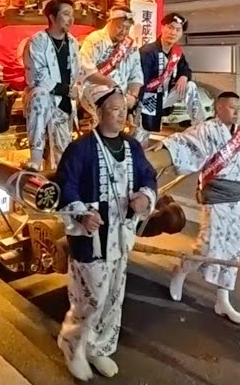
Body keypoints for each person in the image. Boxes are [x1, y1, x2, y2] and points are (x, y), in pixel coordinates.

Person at [53, 85, 157, 381]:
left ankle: (99, 347)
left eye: (124, 109)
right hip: (92, 239)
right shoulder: (80, 148)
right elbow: (66, 186)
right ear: (98, 112)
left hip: (121, 236)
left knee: (114, 296)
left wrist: (145, 197)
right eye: (114, 109)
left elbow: (147, 175)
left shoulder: (132, 147)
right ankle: (72, 344)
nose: (121, 114)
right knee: (91, 298)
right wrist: (82, 215)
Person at [160, 91, 240, 324]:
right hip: (216, 194)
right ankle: (182, 270)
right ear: (219, 108)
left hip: (236, 196)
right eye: (231, 107)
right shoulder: (207, 130)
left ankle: (223, 299)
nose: (236, 111)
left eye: (238, 107)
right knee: (208, 246)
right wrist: (166, 151)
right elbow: (186, 143)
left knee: (232, 247)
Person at [23, 0, 84, 171]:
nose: (70, 19)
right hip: (43, 97)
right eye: (66, 14)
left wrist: (76, 90)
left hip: (64, 100)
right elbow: (37, 73)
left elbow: (77, 72)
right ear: (51, 17)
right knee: (40, 95)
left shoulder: (72, 42)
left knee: (64, 157)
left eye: (72, 15)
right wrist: (66, 90)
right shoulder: (38, 41)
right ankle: (35, 158)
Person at [136, 13, 204, 145]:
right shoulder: (147, 51)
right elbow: (140, 81)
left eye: (178, 30)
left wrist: (184, 76)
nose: (173, 32)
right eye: (170, 27)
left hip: (166, 96)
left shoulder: (177, 52)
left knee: (190, 86)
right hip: (147, 97)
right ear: (162, 27)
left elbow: (185, 68)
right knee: (142, 133)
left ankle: (200, 126)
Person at [77, 7, 143, 125]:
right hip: (94, 89)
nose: (123, 31)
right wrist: (112, 85)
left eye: (127, 28)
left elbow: (136, 73)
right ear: (110, 22)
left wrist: (133, 96)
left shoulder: (130, 45)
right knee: (110, 106)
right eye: (119, 26)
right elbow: (86, 70)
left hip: (121, 94)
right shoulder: (95, 40)